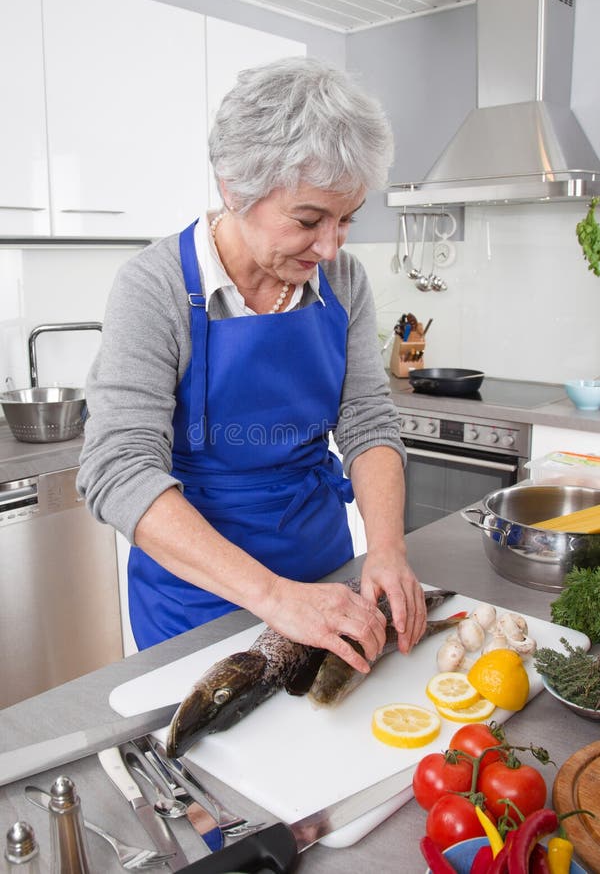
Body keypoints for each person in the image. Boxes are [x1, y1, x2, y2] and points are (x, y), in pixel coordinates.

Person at [77, 56, 426, 672]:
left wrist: (388, 550)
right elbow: (119, 468)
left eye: (347, 219)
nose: (330, 247)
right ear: (234, 188)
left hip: (328, 575)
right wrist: (274, 598)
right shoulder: (154, 288)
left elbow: (368, 422)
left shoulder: (342, 278)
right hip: (198, 600)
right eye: (309, 219)